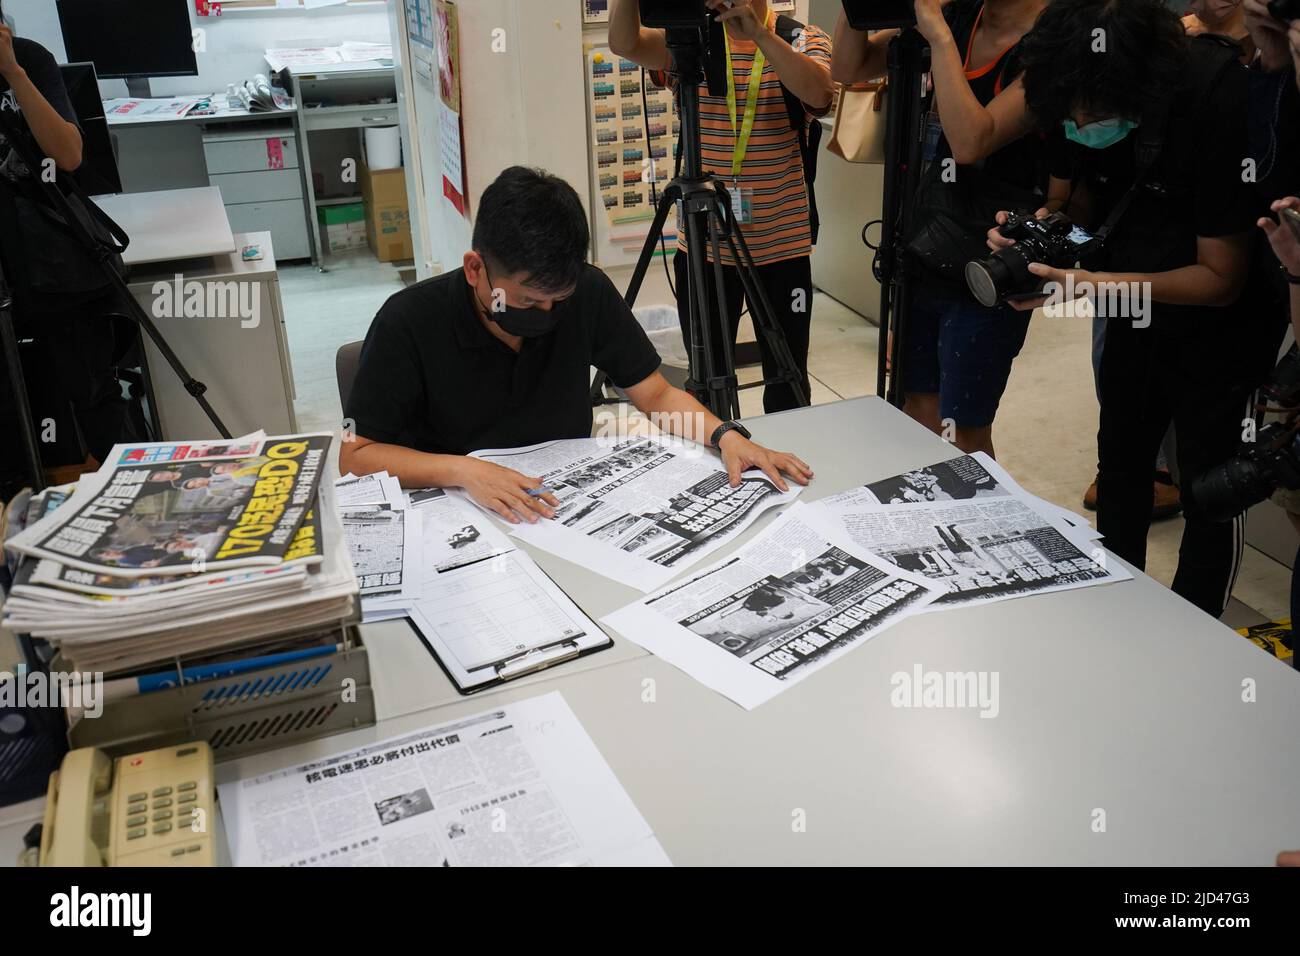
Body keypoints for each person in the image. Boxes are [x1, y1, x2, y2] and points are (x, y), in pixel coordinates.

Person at [962, 0, 1286, 619]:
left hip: (1222, 325)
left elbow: (1220, 279)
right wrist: (1037, 237)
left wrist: (1092, 284)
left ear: (1144, 90)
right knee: (1121, 466)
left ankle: (1195, 630)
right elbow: (1077, 203)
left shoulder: (1216, 97)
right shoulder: (1070, 83)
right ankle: (1115, 617)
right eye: (1071, 115)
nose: (1083, 123)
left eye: (1098, 114)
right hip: (1133, 308)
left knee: (1207, 488)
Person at [340, 165, 813, 524]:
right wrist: (464, 471)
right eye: (527, 299)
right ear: (475, 269)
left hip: (560, 506)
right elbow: (353, 455)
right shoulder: (408, 321)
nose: (544, 315)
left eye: (556, 301)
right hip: (458, 510)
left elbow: (656, 394)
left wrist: (724, 436)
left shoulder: (586, 292)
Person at [832, 0, 1047, 459]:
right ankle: (922, 521)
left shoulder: (1055, 43)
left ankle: (974, 518)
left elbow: (973, 140)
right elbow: (847, 66)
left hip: (993, 262)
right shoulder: (958, 17)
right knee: (917, 405)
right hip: (924, 242)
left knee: (964, 428)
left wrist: (938, 35)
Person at [608, 0, 833, 413]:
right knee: (709, 381)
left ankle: (789, 465)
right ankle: (720, 459)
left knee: (788, 378)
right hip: (704, 245)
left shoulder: (800, 37)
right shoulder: (690, 40)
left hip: (782, 245)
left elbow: (819, 91)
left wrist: (761, 36)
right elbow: (625, 44)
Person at [0, 7, 128, 489]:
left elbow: (68, 154)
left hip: (52, 258)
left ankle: (124, 484)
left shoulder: (29, 60)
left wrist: (13, 72)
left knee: (89, 385)